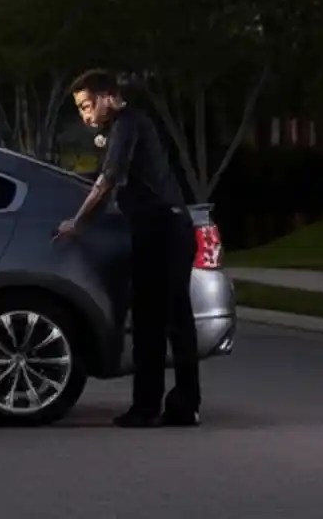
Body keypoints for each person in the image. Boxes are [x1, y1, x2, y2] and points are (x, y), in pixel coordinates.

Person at [53, 69, 201, 428]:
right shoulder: (132, 125)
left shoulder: (126, 124)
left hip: (160, 230)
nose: (86, 116)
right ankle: (185, 404)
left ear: (107, 96)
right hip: (174, 225)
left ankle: (146, 407)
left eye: (88, 106)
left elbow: (107, 181)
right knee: (178, 321)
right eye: (81, 109)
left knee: (151, 320)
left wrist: (78, 224)